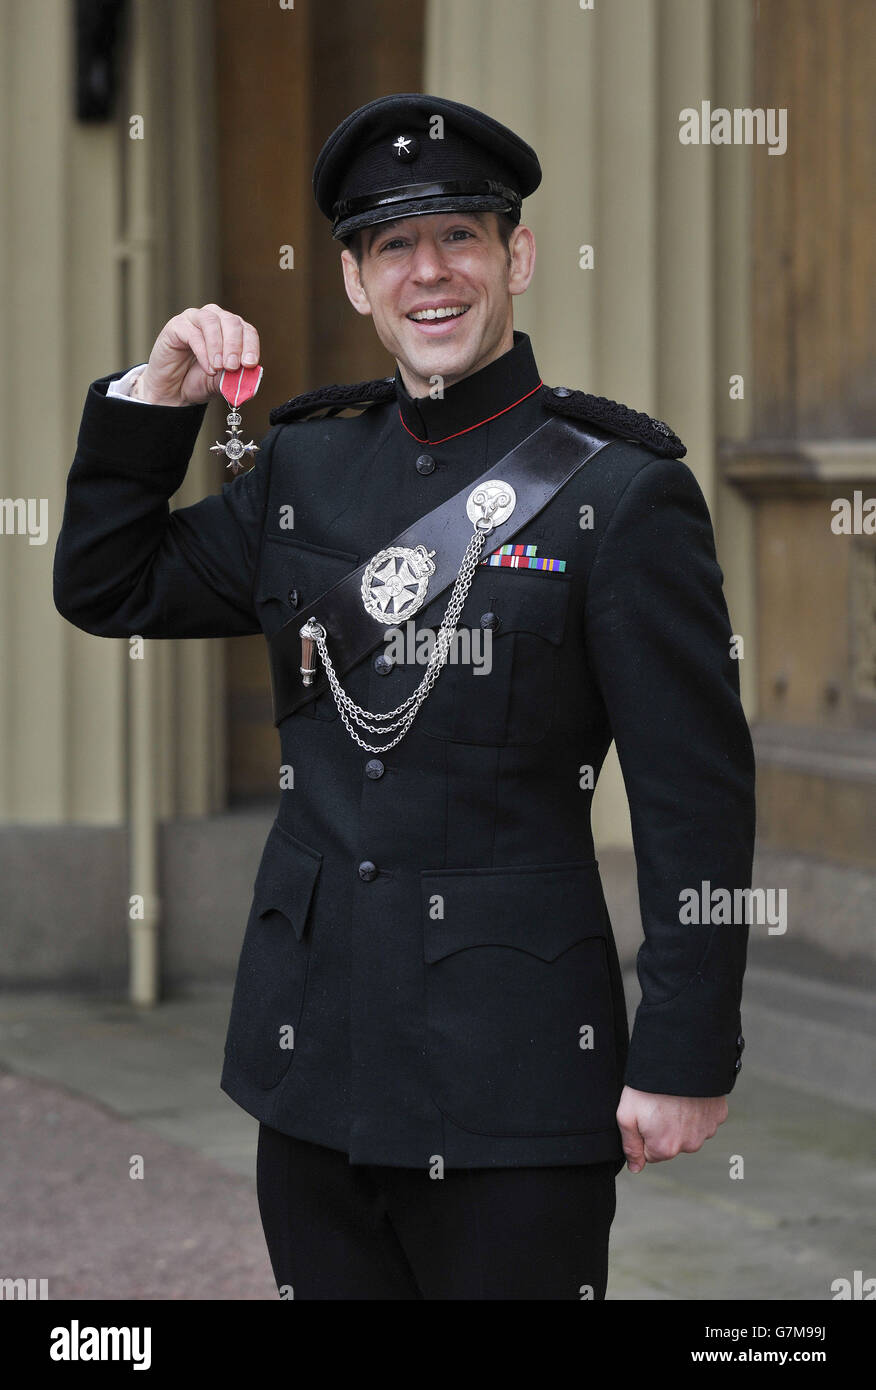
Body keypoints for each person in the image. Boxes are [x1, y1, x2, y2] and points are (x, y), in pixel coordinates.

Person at [53, 93, 756, 1300]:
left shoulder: (620, 495)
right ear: (354, 282)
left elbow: (697, 791)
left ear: (516, 257)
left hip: (516, 1079)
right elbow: (108, 585)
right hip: (313, 1060)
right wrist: (158, 396)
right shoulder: (305, 468)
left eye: (461, 237)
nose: (429, 274)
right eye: (394, 246)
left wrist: (685, 1050)